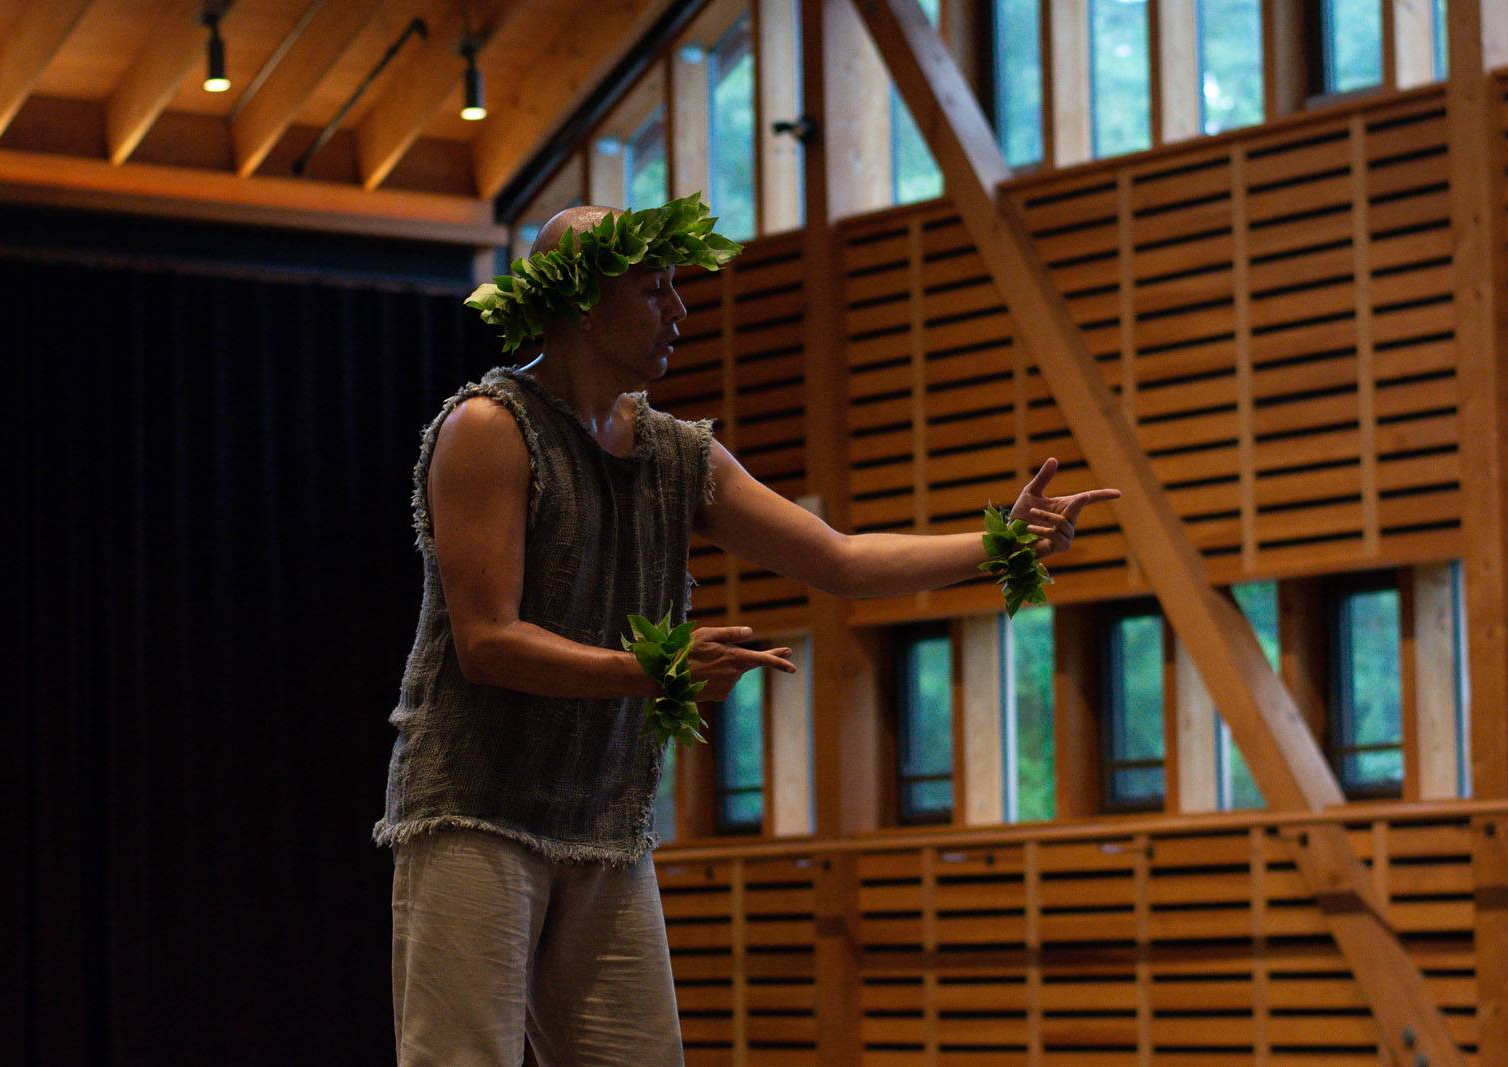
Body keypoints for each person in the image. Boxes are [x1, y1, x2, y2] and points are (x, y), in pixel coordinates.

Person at [374, 197, 1119, 1067]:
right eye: (654, 290)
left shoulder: (675, 453)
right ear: (584, 305)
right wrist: (654, 669)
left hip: (602, 818)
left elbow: (839, 559)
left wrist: (999, 544)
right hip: (473, 809)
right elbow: (487, 642)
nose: (679, 310)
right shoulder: (489, 429)